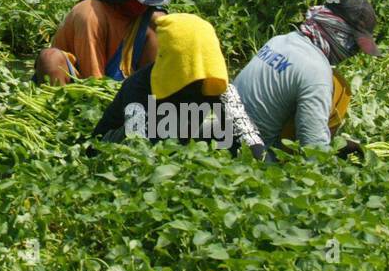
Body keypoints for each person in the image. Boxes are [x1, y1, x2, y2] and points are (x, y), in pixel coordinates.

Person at [93, 12, 270, 160]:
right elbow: (138, 147)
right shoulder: (141, 86)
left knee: (222, 124)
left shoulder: (217, 84)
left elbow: (249, 138)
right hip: (120, 147)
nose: (198, 79)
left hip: (180, 140)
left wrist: (262, 170)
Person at [234, 0, 382, 151]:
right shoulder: (316, 71)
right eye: (355, 45)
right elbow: (313, 151)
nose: (353, 53)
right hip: (247, 156)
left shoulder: (280, 40)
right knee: (340, 89)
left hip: (218, 136)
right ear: (338, 31)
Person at [34, 0, 170, 86]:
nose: (145, 7)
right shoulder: (90, 16)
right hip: (81, 87)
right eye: (141, 1)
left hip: (124, 86)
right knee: (50, 58)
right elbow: (93, 81)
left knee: (158, 22)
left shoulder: (147, 16)